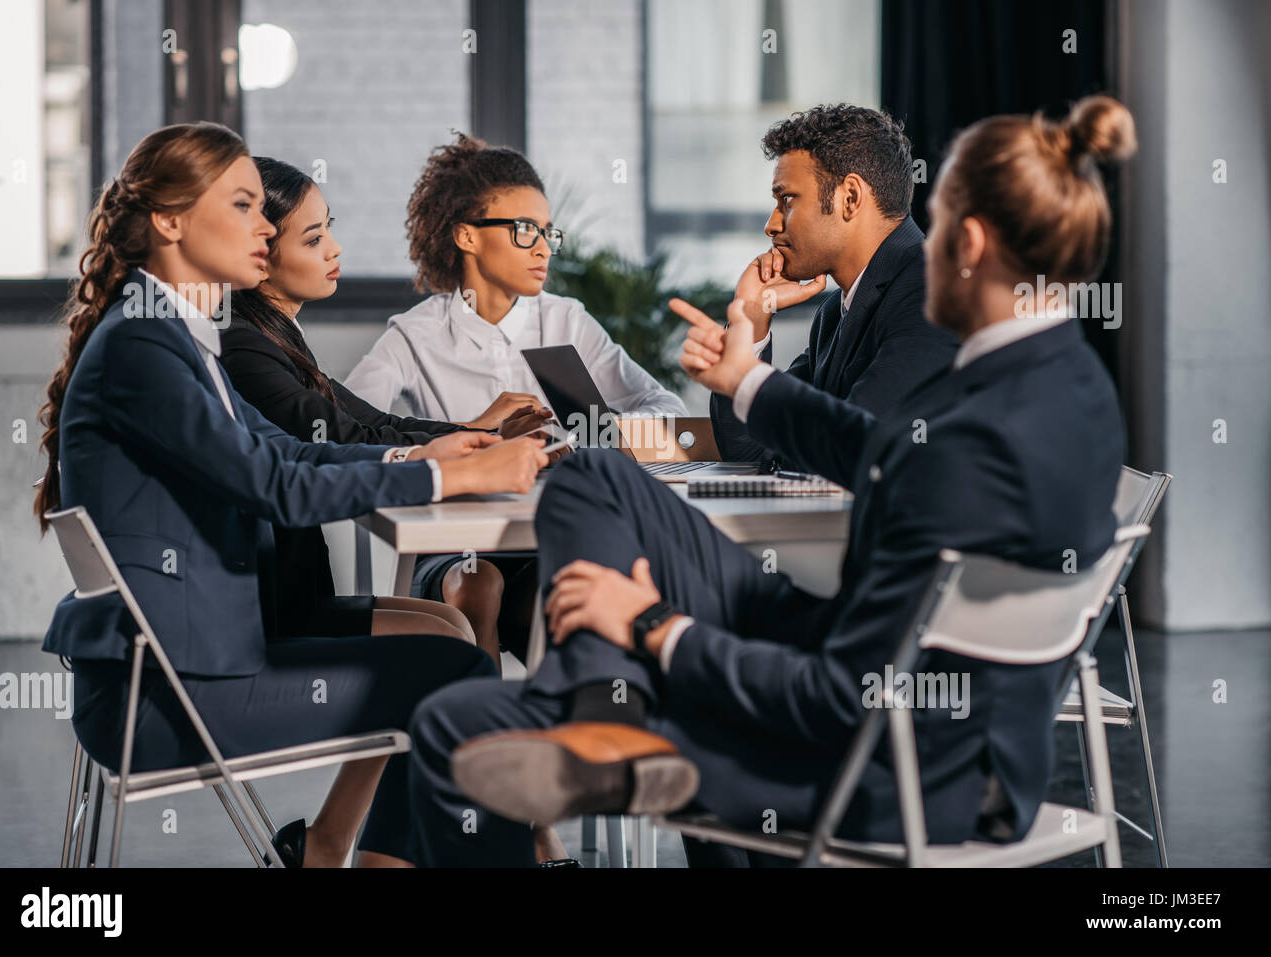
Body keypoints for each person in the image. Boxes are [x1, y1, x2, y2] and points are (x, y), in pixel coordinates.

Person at [400, 95, 1135, 866]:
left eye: (939, 224)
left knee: (457, 723)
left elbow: (833, 697)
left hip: (884, 771)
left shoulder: (974, 439)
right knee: (594, 477)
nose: (923, 241)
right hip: (914, 719)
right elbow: (875, 449)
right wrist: (747, 376)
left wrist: (653, 625)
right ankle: (597, 706)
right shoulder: (1068, 384)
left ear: (972, 243)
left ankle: (609, 707)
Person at [36, 122, 548, 868]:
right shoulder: (147, 345)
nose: (264, 227)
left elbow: (291, 449)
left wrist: (428, 454)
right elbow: (275, 486)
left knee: (453, 661)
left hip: (193, 660)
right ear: (170, 222)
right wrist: (449, 476)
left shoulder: (173, 336)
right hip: (174, 696)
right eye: (244, 205)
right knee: (461, 676)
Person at [343, 133, 686, 665]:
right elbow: (347, 428)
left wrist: (592, 437)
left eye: (548, 232)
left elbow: (665, 408)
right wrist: (471, 436)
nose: (544, 248)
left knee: (584, 587)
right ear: (467, 236)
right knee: (477, 583)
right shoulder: (416, 335)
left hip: (547, 533)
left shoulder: (566, 320)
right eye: (526, 230)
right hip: (455, 544)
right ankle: (481, 728)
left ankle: (563, 731)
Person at [220, 157, 550, 654]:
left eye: (328, 229)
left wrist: (473, 434)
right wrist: (463, 456)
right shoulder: (244, 348)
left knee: (479, 618)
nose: (335, 248)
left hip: (290, 603)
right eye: (313, 240)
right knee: (456, 636)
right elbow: (344, 438)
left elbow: (373, 422)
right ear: (258, 254)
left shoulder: (274, 340)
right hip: (274, 622)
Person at [709, 104, 958, 470]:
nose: (771, 224)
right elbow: (749, 453)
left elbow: (855, 448)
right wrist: (751, 316)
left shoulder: (930, 292)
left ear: (851, 198)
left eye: (787, 200)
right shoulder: (833, 314)